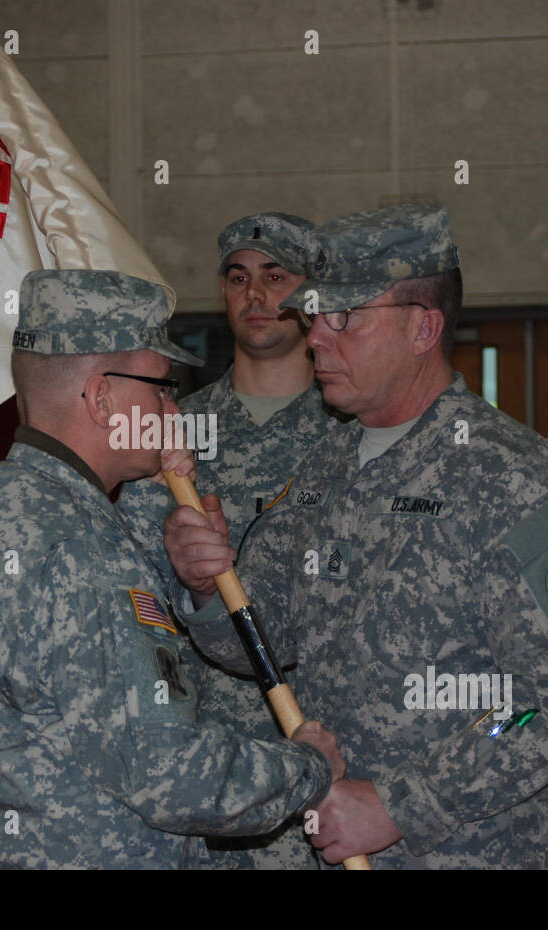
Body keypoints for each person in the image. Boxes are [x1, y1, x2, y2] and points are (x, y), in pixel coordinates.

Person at [164, 203, 548, 868]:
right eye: (316, 317)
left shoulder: (514, 478)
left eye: (346, 318)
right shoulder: (325, 467)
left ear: (423, 328)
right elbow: (268, 637)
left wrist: (403, 802)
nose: (317, 337)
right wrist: (205, 589)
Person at [0, 268, 345, 869]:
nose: (173, 407)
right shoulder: (83, 550)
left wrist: (165, 485)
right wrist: (307, 768)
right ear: (102, 396)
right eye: (162, 387)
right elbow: (170, 774)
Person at [117, 212, 342, 869]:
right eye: (238, 277)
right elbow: (134, 591)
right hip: (208, 761)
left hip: (325, 745)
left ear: (310, 296)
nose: (255, 294)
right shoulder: (171, 434)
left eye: (276, 276)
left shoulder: (348, 434)